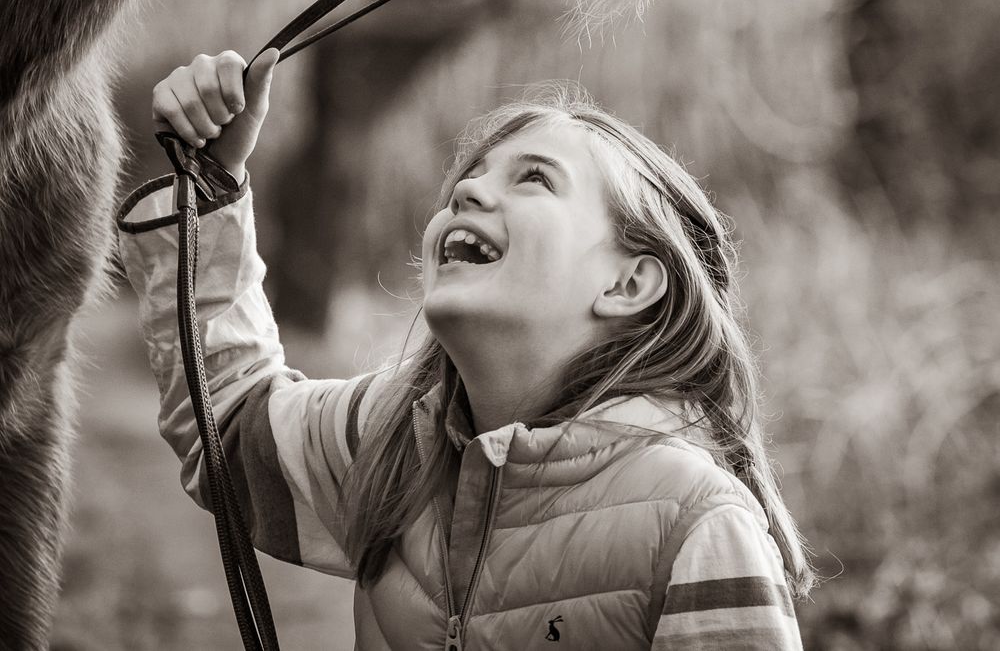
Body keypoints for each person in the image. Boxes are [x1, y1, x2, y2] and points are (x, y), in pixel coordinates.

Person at [117, 48, 812, 650]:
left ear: (629, 282)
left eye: (533, 177)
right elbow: (228, 428)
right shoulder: (390, 442)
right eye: (469, 178)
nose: (468, 189)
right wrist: (208, 186)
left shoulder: (696, 525)